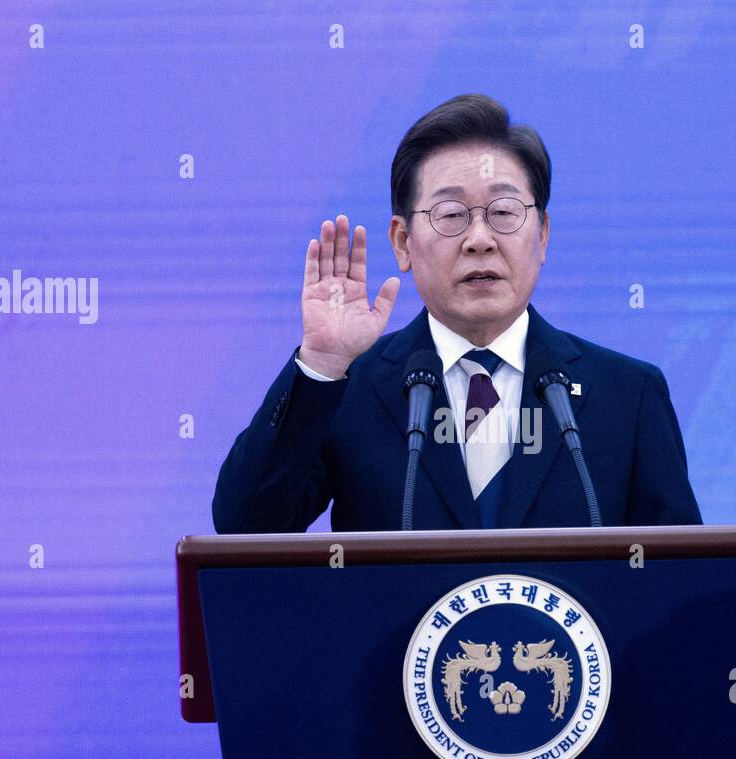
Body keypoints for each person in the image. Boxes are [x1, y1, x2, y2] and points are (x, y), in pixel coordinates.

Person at [212, 93, 701, 533]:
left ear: (543, 234)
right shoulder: (350, 390)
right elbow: (246, 527)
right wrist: (321, 365)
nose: (480, 239)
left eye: (504, 212)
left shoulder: (628, 395)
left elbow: (678, 586)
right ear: (403, 243)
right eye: (450, 216)